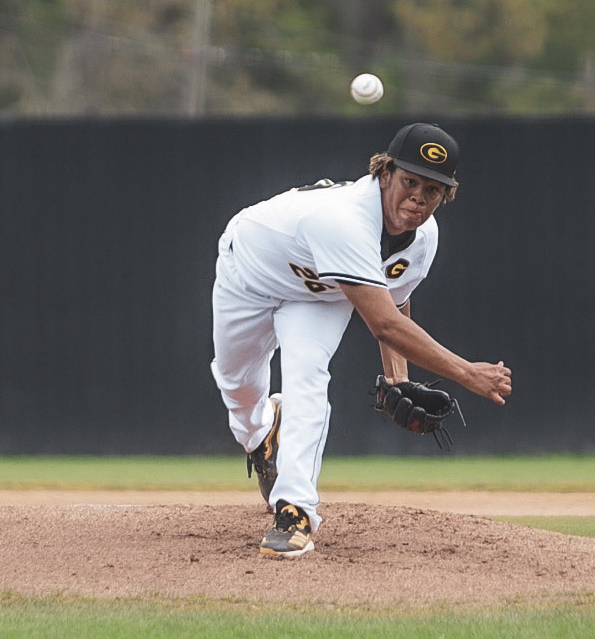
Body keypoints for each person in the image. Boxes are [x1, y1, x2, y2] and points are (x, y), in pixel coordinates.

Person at [210, 122, 513, 557]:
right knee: (238, 386)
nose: (418, 198)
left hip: (319, 296)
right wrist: (467, 374)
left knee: (307, 379)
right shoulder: (345, 219)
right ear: (384, 173)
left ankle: (294, 511)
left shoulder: (423, 240)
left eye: (433, 190)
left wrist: (399, 381)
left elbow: (395, 304)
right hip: (250, 273)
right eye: (410, 182)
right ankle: (260, 434)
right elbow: (385, 326)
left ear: (445, 195)